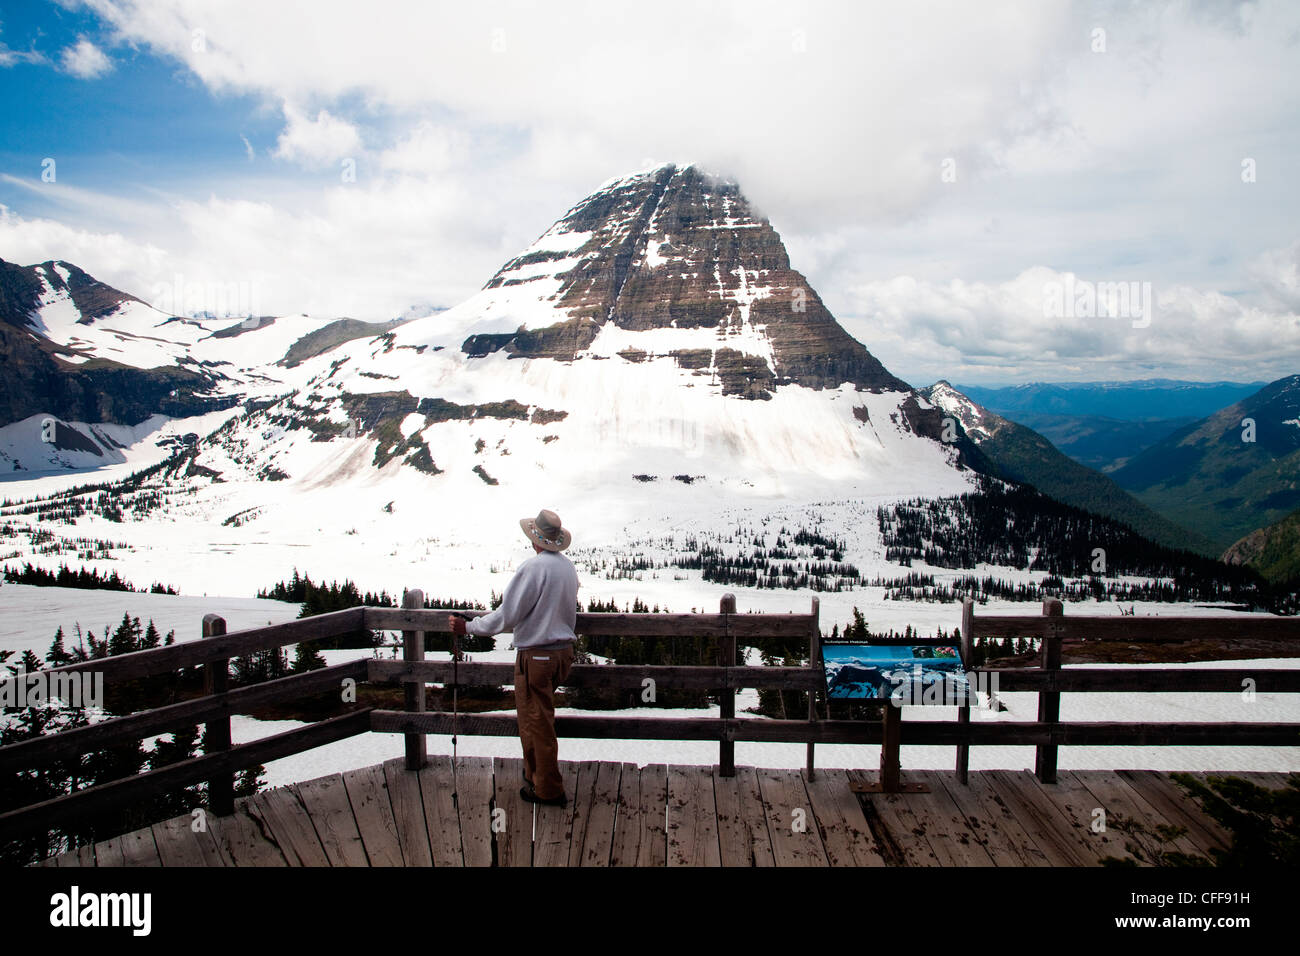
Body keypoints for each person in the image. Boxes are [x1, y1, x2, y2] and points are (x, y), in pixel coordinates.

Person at [449, 508, 579, 807]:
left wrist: (469, 626)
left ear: (536, 539)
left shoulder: (533, 569)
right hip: (562, 655)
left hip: (537, 656)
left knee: (537, 722)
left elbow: (507, 616)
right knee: (538, 717)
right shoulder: (567, 567)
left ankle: (547, 789)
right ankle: (534, 775)